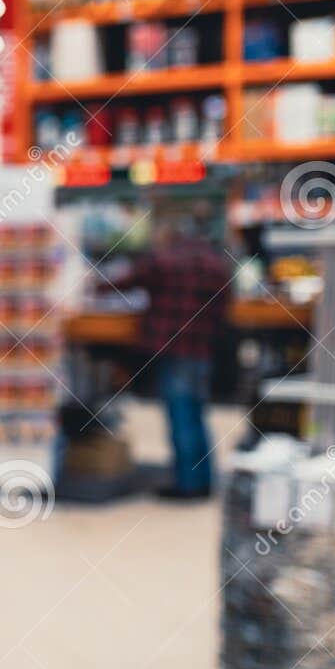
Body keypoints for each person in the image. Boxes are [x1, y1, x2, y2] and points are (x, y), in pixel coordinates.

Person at [113, 209, 231, 499]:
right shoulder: (217, 265)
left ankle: (187, 485)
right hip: (201, 348)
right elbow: (226, 304)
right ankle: (203, 480)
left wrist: (90, 285)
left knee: (179, 415)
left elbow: (126, 280)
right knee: (196, 413)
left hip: (172, 347)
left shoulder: (165, 260)